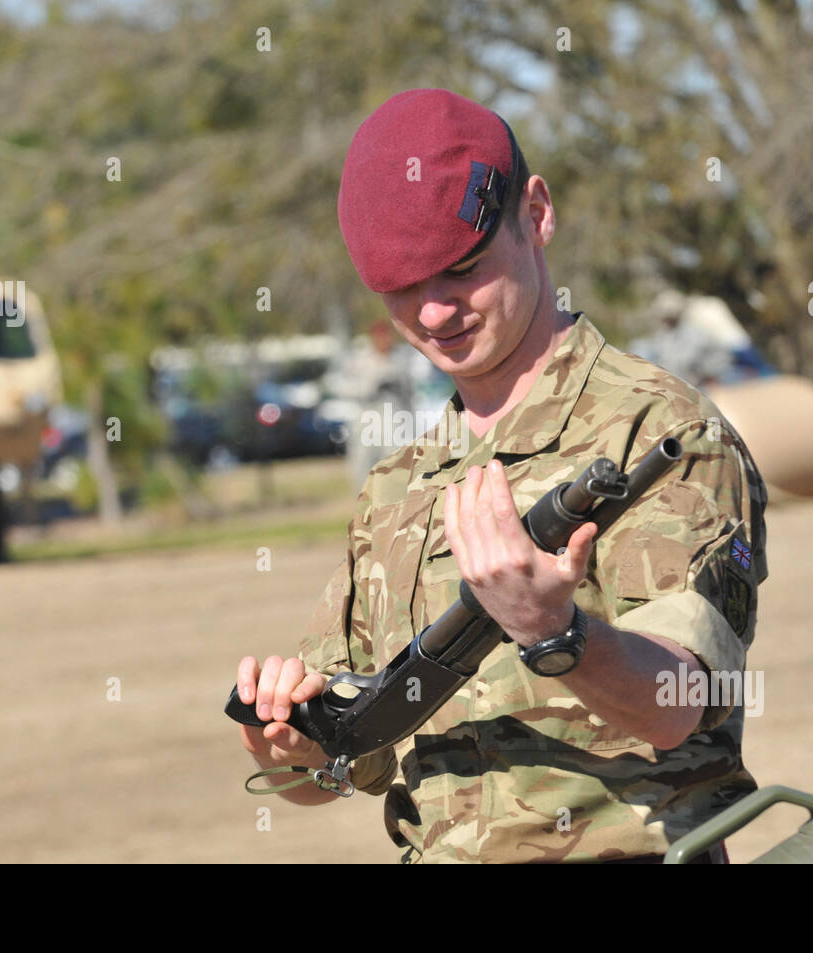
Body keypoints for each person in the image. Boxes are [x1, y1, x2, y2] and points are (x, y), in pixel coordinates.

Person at [234, 88, 768, 863]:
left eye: (460, 270)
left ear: (537, 212)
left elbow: (677, 704)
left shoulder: (660, 432)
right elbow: (346, 763)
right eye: (402, 289)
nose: (435, 313)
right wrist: (280, 741)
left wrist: (556, 633)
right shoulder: (398, 487)